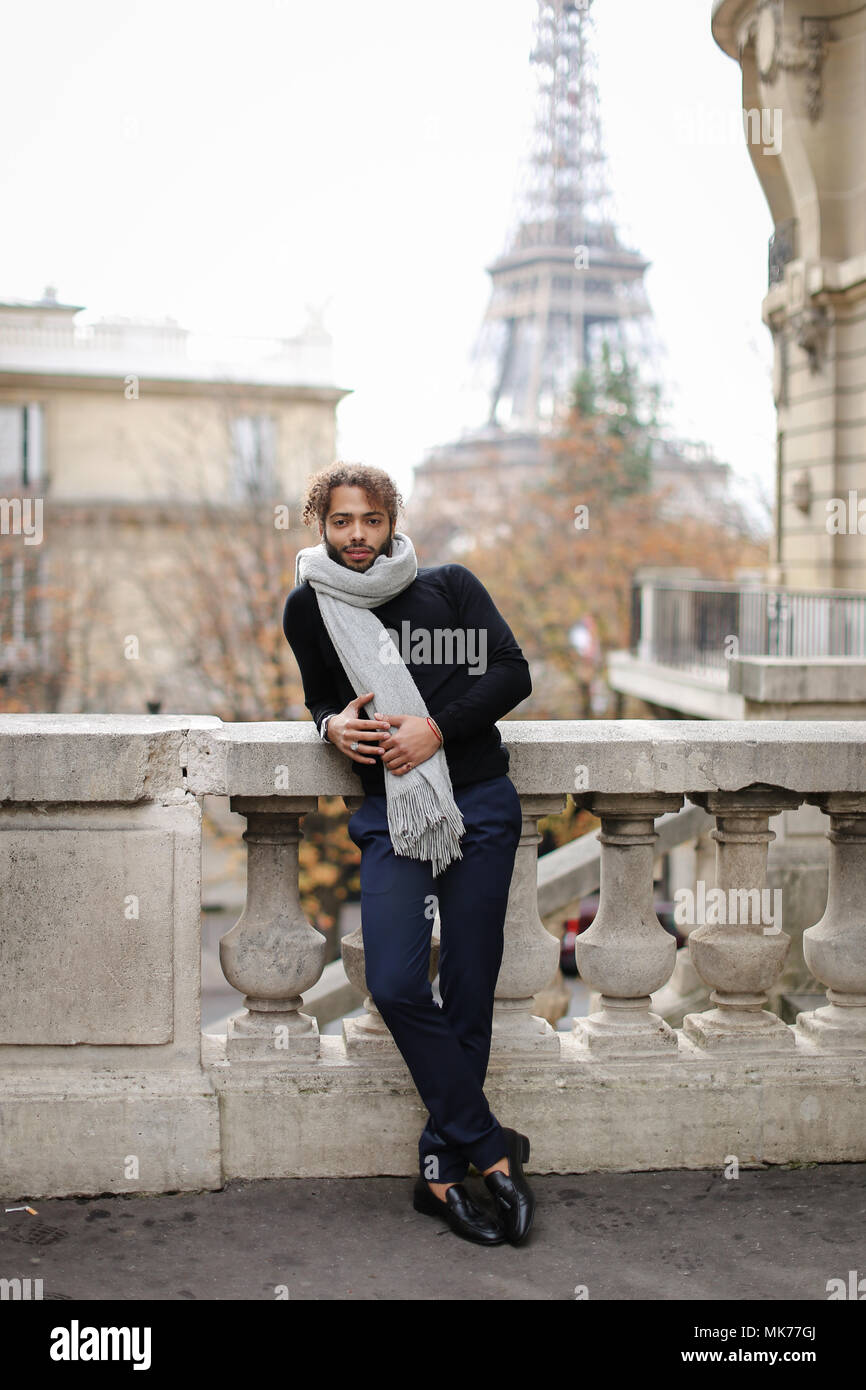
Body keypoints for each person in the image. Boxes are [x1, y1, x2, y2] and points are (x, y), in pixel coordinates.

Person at [282, 461, 536, 1246]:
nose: (356, 537)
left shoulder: (450, 588)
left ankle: (441, 1167)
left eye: (369, 520)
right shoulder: (310, 607)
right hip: (391, 815)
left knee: (469, 982)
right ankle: (491, 1150)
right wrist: (330, 728)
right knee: (394, 979)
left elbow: (512, 673)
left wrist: (436, 727)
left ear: (393, 519)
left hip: (480, 805)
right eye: (340, 522)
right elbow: (321, 695)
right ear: (320, 526)